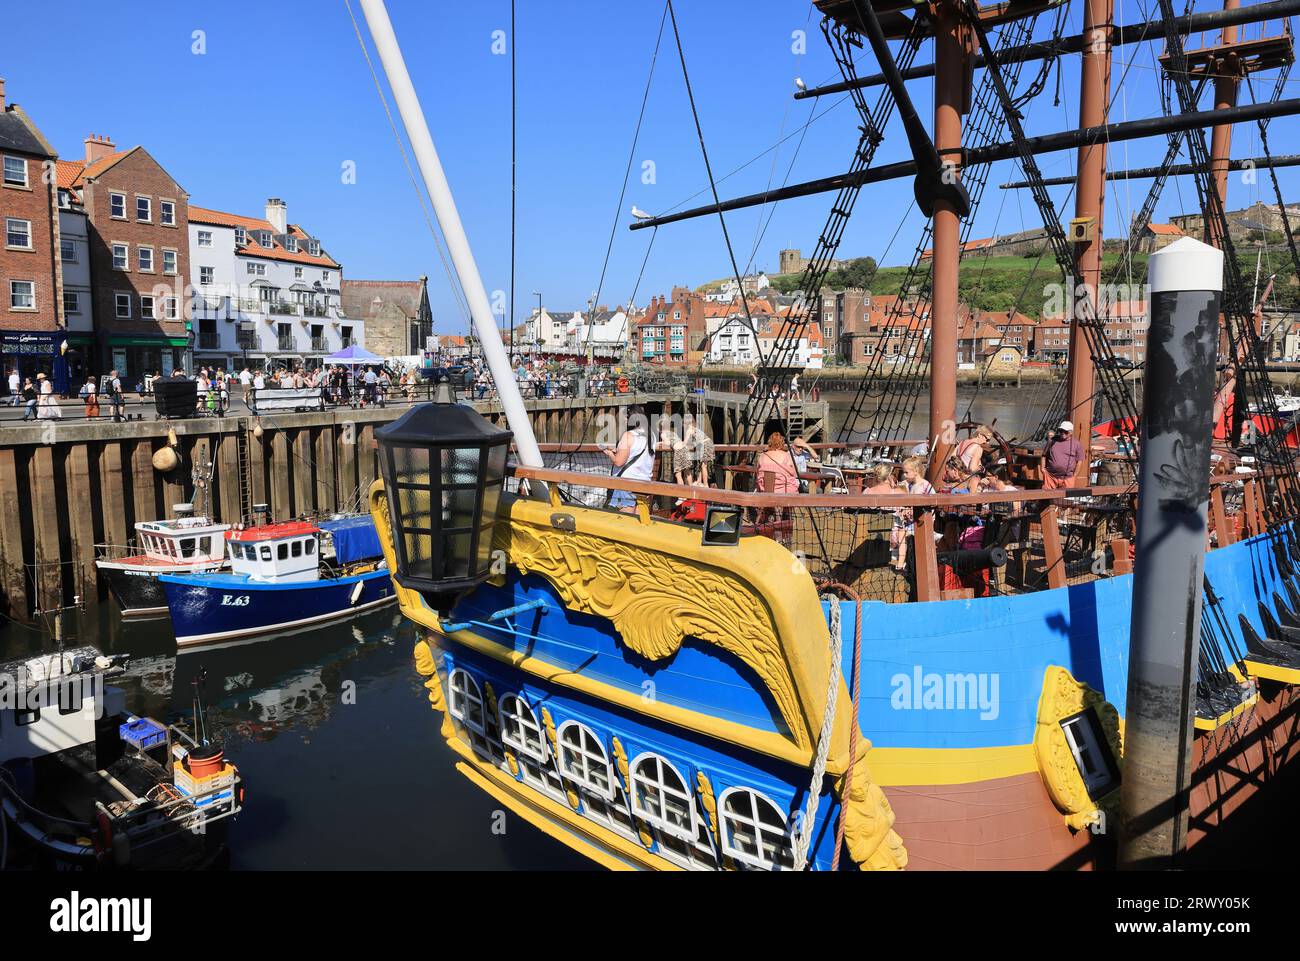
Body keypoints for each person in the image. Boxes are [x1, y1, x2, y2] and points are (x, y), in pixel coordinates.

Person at [601, 406, 655, 512]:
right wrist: (618, 450)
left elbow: (619, 462)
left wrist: (609, 453)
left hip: (626, 484)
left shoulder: (628, 435)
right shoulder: (651, 435)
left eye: (626, 417)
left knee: (624, 521)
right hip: (644, 484)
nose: (625, 420)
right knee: (639, 522)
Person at [892, 455, 935, 572]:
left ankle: (902, 562)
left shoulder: (925, 485)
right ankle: (901, 562)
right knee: (900, 530)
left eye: (906, 472)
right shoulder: (911, 485)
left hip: (922, 521)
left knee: (902, 533)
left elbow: (934, 501)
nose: (904, 475)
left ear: (916, 472)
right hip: (912, 520)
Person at [1043, 420, 1083, 489]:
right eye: (1061, 431)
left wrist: (1074, 476)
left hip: (1068, 478)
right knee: (1047, 497)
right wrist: (1042, 469)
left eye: (1066, 432)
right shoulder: (1052, 441)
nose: (1063, 433)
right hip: (1050, 477)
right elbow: (1044, 455)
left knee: (1066, 499)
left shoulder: (1076, 444)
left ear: (1071, 432)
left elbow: (1080, 461)